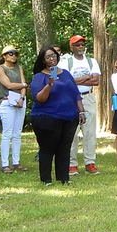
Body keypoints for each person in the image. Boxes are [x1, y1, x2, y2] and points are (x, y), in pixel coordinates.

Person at [29, 45, 80, 184]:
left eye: (53, 55)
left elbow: (75, 94)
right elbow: (40, 98)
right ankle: (46, 179)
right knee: (47, 148)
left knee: (64, 148)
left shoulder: (66, 74)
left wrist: (81, 111)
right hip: (47, 118)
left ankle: (63, 178)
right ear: (43, 60)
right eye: (48, 57)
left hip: (69, 117)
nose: (52, 58)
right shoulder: (39, 77)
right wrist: (49, 85)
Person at [60, 35, 102, 174]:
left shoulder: (91, 61)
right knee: (72, 132)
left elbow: (96, 81)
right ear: (71, 47)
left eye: (82, 44)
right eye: (77, 45)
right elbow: (63, 81)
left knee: (89, 131)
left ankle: (90, 162)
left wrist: (74, 80)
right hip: (71, 99)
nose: (80, 47)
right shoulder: (65, 62)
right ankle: (72, 164)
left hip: (88, 97)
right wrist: (86, 77)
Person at [0, 47, 28, 174]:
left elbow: (23, 85)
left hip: (20, 100)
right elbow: (8, 85)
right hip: (6, 101)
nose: (14, 56)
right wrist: (23, 85)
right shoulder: (0, 68)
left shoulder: (19, 68)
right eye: (11, 53)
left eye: (15, 54)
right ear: (4, 56)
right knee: (7, 133)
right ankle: (5, 164)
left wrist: (22, 97)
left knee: (17, 133)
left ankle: (16, 162)